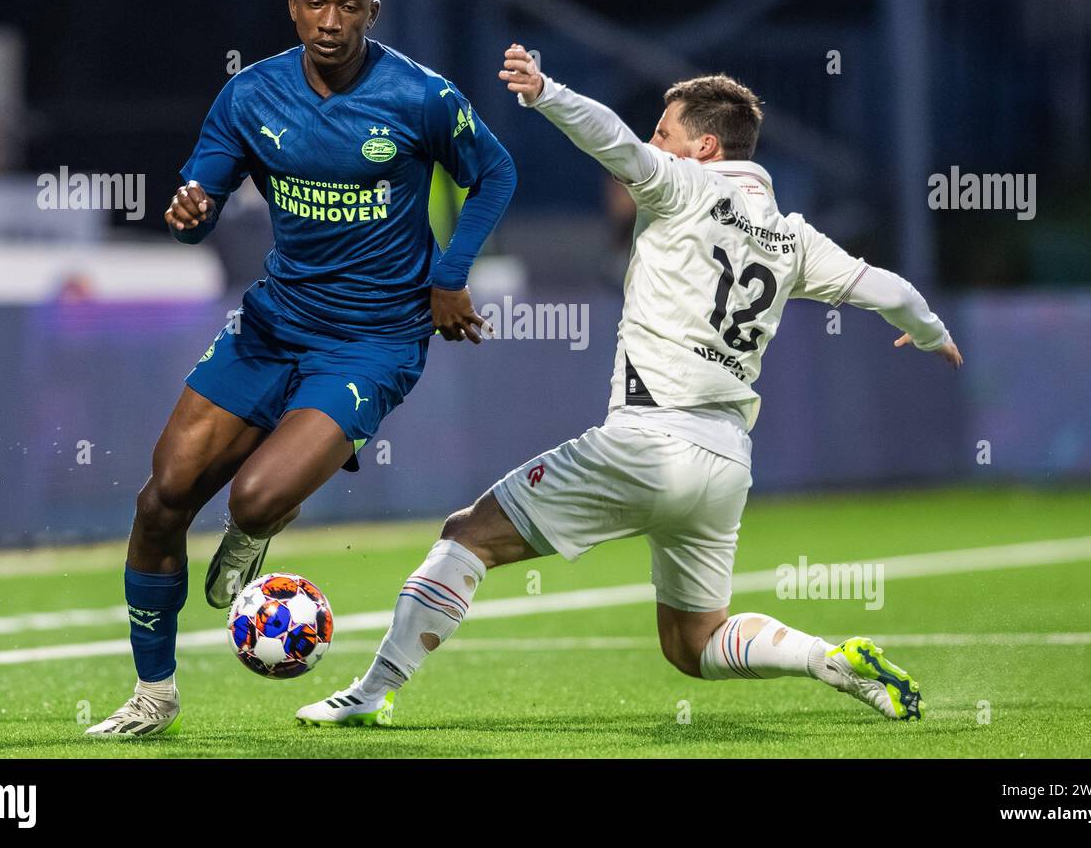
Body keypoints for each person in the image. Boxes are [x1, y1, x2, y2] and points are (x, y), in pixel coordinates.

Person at [297, 44, 961, 727]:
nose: (654, 144)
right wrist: (932, 331)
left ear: (704, 146)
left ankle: (369, 693)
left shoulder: (683, 185)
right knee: (693, 643)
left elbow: (610, 139)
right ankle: (828, 657)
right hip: (725, 464)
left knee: (469, 534)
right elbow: (891, 289)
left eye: (665, 133)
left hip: (649, 442)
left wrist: (545, 91)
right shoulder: (792, 238)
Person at [86, 0, 516, 738]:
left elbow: (496, 173)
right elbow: (197, 204)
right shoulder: (250, 96)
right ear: (293, 6)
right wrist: (188, 215)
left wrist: (449, 275)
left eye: (348, 5)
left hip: (372, 341)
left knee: (253, 497)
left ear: (371, 11)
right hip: (272, 327)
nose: (330, 19)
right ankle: (154, 694)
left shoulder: (421, 96)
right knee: (160, 500)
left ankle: (252, 536)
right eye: (315, 1)